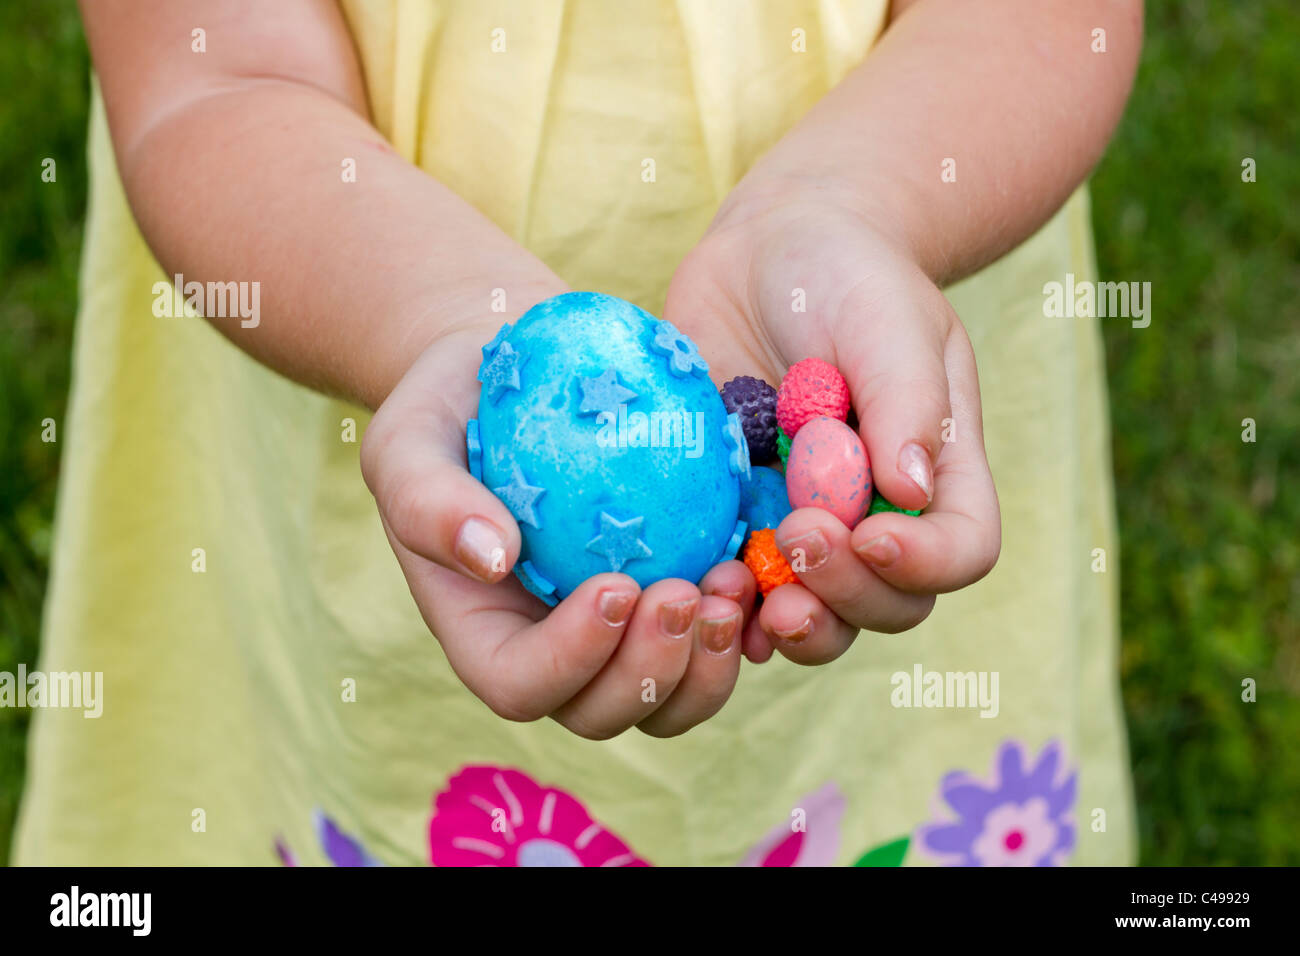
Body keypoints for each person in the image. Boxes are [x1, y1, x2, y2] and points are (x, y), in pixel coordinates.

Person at [16, 0, 1140, 866]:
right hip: (338, 278)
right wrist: (435, 318)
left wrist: (854, 210)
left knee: (872, 768)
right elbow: (214, 71)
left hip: (876, 270)